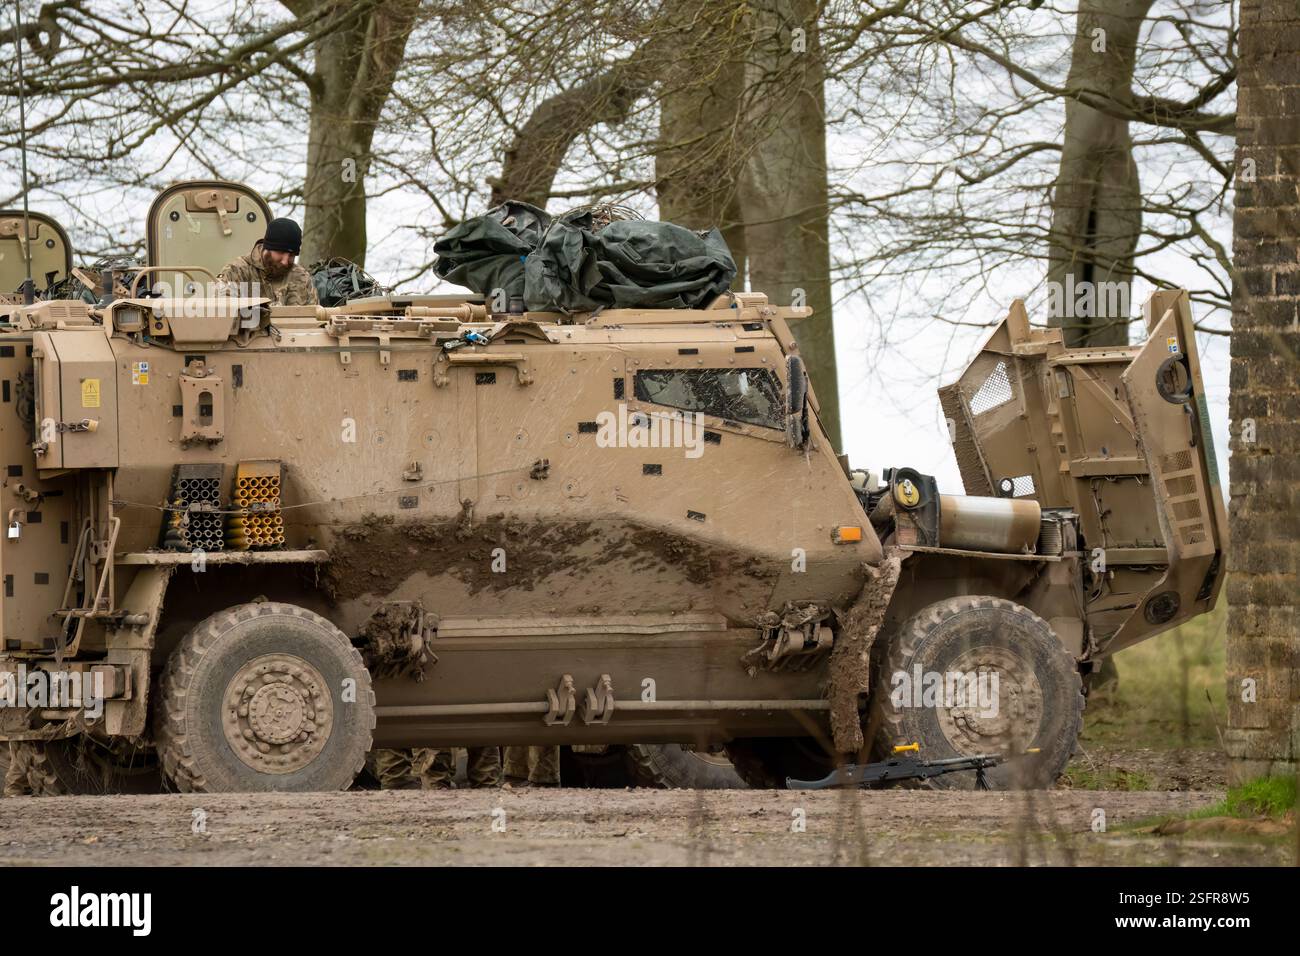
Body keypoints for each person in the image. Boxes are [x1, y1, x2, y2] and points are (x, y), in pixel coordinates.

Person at [216, 217, 319, 306]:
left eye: (291, 255)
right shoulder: (236, 272)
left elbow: (315, 319)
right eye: (281, 252)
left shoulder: (301, 278)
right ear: (267, 248)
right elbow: (221, 318)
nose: (285, 261)